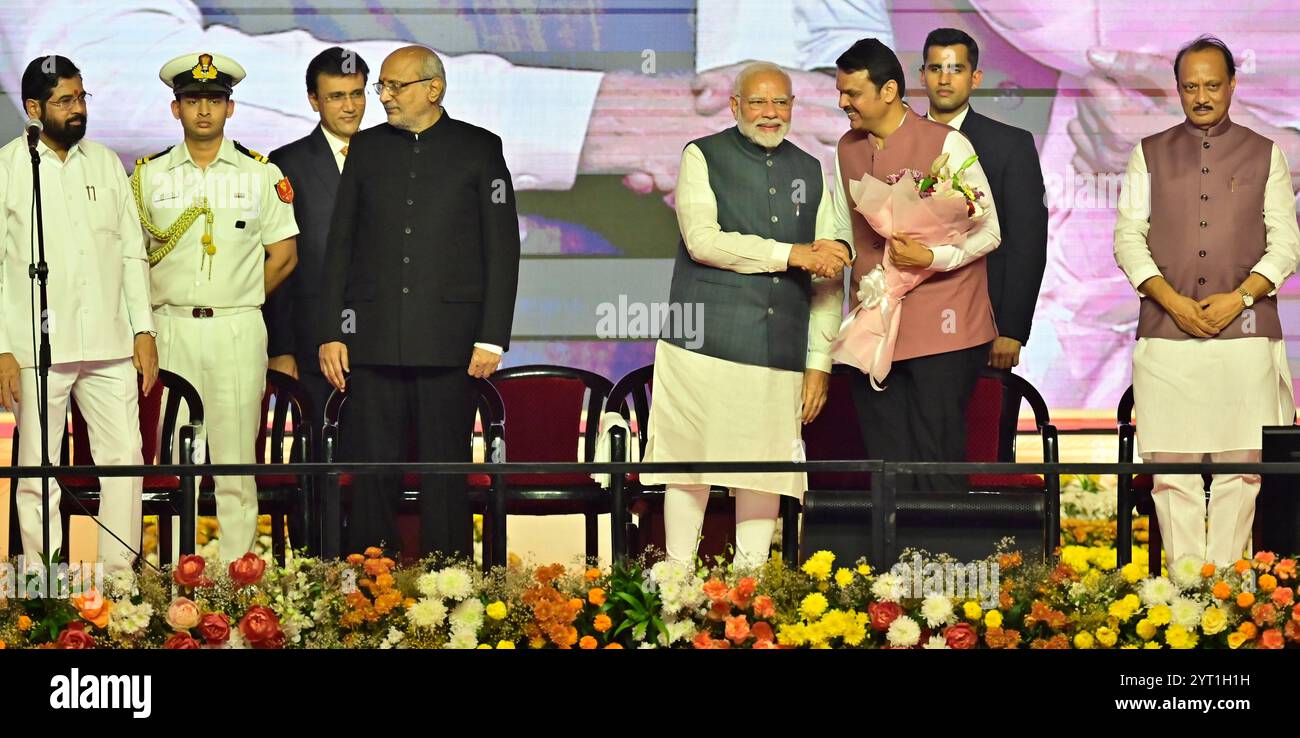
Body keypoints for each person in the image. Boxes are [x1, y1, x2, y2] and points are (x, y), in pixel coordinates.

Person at [642, 62, 849, 569]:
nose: (770, 113)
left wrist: (819, 360)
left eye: (781, 103)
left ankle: (749, 597)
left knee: (767, 471)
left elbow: (829, 269)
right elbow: (704, 242)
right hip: (702, 344)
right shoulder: (702, 155)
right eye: (758, 102)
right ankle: (676, 587)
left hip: (778, 347)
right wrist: (792, 254)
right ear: (734, 106)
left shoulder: (812, 169)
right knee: (689, 466)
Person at [318, 46, 520, 558]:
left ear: (434, 89)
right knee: (372, 477)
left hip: (451, 342)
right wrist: (331, 331)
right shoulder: (364, 149)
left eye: (394, 86)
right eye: (380, 86)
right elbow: (340, 243)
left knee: (445, 476)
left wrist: (491, 336)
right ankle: (370, 591)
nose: (381, 97)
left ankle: (447, 590)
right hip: (372, 337)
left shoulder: (480, 148)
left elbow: (502, 249)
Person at [1113, 36, 1300, 567]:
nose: (1201, 96)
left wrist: (1239, 298)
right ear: (1176, 89)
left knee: (1243, 476)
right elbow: (1129, 237)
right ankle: (1184, 596)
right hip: (1167, 337)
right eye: (1190, 86)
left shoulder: (1267, 153)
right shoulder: (1146, 152)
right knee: (1171, 476)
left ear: (1233, 85)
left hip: (1244, 338)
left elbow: (1286, 244)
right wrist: (1171, 300)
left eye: (1212, 85)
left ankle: (1230, 598)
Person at [132, 52, 299, 562]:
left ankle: (238, 581)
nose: (203, 110)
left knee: (235, 462)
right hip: (169, 328)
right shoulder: (147, 176)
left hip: (236, 329)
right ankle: (171, 576)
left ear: (230, 108)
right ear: (174, 108)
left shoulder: (261, 174)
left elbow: (284, 255)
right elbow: (130, 259)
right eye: (192, 100)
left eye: (214, 100)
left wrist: (237, 296)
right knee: (172, 460)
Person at [0, 55, 156, 572]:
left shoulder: (107, 162)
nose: (77, 109)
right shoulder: (7, 168)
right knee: (38, 471)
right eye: (65, 101)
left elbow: (131, 251)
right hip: (36, 347)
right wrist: (2, 347)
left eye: (82, 97)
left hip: (111, 344)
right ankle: (42, 586)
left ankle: (120, 584)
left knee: (125, 463)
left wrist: (143, 329)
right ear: (33, 108)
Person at [828, 38, 1001, 492]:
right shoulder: (846, 148)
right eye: (841, 92)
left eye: (853, 93)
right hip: (875, 323)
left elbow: (990, 231)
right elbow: (845, 227)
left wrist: (932, 257)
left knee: (936, 459)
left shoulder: (948, 143)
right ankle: (889, 561)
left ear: (888, 92)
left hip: (945, 326)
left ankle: (941, 559)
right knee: (885, 460)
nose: (843, 102)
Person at [919, 28, 1047, 370]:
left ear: (975, 78)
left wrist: (1012, 330)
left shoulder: (1011, 145)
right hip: (910, 322)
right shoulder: (900, 142)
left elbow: (1027, 243)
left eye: (956, 69)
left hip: (985, 325)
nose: (945, 79)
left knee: (981, 422)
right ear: (922, 75)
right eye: (935, 69)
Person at [266, 47, 370, 416]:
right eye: (336, 96)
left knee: (376, 464)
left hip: (383, 348)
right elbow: (277, 262)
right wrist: (281, 347)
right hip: (310, 346)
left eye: (357, 94)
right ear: (313, 100)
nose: (349, 107)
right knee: (316, 463)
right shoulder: (285, 164)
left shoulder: (391, 156)